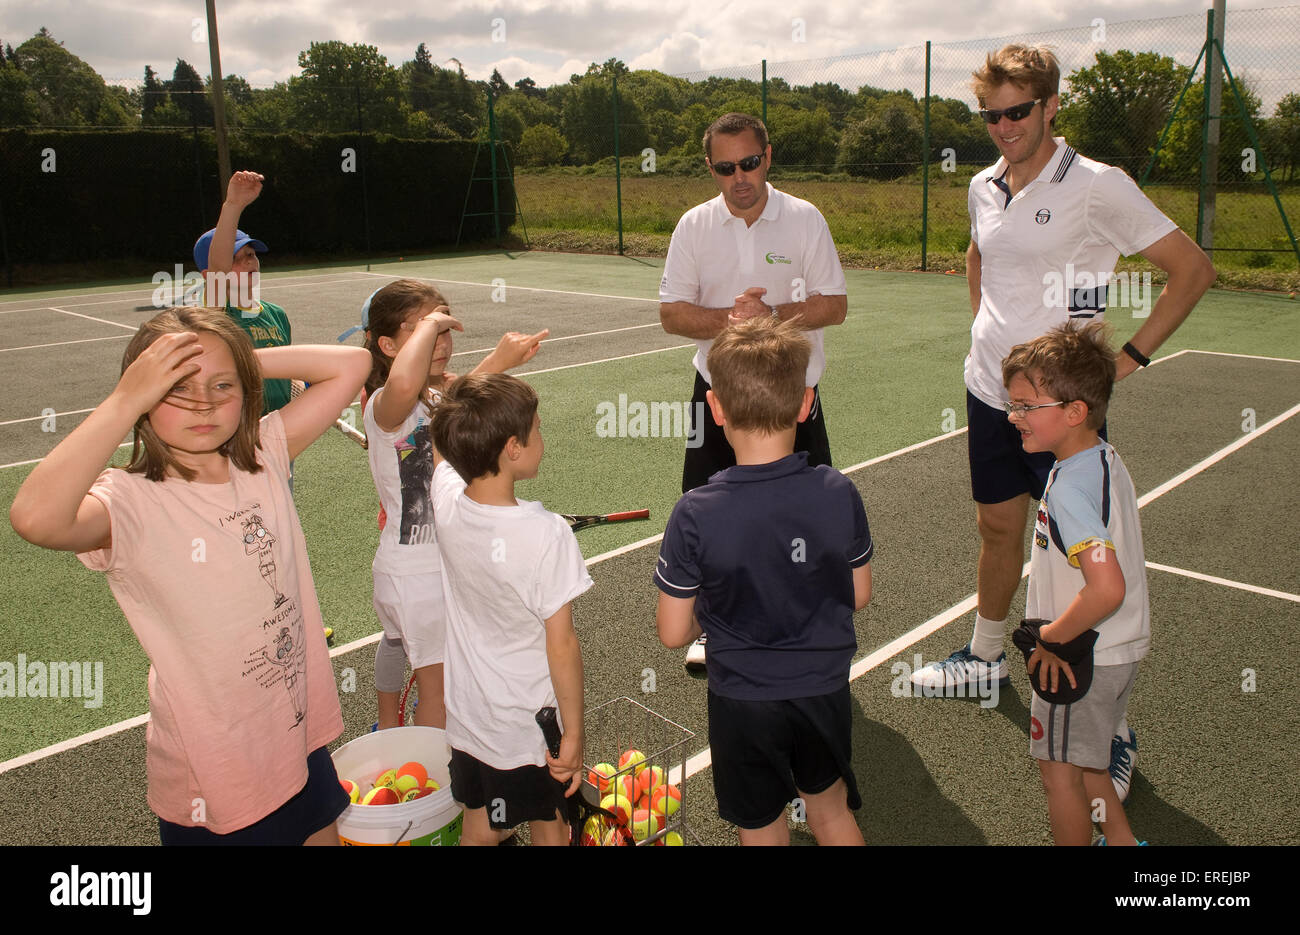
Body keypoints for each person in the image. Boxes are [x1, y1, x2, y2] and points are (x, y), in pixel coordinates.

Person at [911, 44, 1214, 802]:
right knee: (995, 529)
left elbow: (1192, 268)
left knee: (1082, 562)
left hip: (1064, 413)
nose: (1004, 126)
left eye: (1018, 110)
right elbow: (979, 257)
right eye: (991, 115)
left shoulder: (1097, 185)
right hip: (990, 396)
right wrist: (986, 333)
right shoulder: (983, 183)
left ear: (1050, 105)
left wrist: (1128, 359)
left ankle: (1111, 730)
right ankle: (984, 658)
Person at [9, 307, 371, 844]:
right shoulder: (129, 501)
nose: (203, 402)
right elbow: (36, 519)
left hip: (295, 736)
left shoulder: (261, 454)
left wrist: (231, 360)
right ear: (141, 397)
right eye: (176, 388)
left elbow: (353, 364)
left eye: (221, 386)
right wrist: (125, 398)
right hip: (217, 769)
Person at [654, 317, 873, 846]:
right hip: (823, 689)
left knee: (762, 826)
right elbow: (859, 594)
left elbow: (672, 632)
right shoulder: (837, 491)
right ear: (805, 403)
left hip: (742, 702)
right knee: (831, 813)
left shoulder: (693, 513)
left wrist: (719, 604)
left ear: (716, 408)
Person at [659, 111, 849, 671]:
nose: (739, 177)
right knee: (709, 509)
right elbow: (671, 314)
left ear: (767, 156)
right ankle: (715, 626)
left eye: (748, 162)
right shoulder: (693, 225)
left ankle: (810, 619)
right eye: (725, 167)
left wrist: (773, 315)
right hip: (719, 396)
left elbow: (833, 305)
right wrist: (732, 322)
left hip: (795, 395)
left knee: (807, 512)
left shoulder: (804, 218)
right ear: (711, 168)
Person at [362, 279, 546, 731]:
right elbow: (406, 382)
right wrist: (433, 324)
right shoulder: (386, 406)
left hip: (436, 564)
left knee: (446, 678)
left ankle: (404, 742)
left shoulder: (436, 394)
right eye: (424, 330)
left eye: (446, 327)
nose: (441, 340)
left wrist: (501, 361)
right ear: (388, 346)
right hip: (414, 572)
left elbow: (459, 397)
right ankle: (438, 784)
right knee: (437, 692)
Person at [1002, 321, 1149, 845]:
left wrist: (1052, 638)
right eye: (1013, 404)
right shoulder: (1100, 459)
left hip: (1081, 657)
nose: (1014, 416)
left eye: (1025, 405)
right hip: (1115, 650)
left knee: (1059, 775)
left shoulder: (1068, 489)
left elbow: (1106, 589)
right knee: (1088, 766)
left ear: (1074, 412)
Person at [429, 373, 590, 845]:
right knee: (549, 826)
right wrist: (574, 734)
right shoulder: (547, 534)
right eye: (537, 430)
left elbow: (443, 455)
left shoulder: (446, 504)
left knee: (481, 824)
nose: (544, 437)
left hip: (467, 720)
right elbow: (562, 646)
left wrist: (462, 403)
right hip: (528, 729)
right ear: (513, 449)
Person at [194, 170, 292, 417]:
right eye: (235, 259)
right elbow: (219, 267)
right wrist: (234, 206)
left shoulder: (276, 314)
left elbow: (284, 375)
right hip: (239, 435)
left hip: (279, 435)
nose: (249, 262)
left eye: (250, 254)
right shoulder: (216, 313)